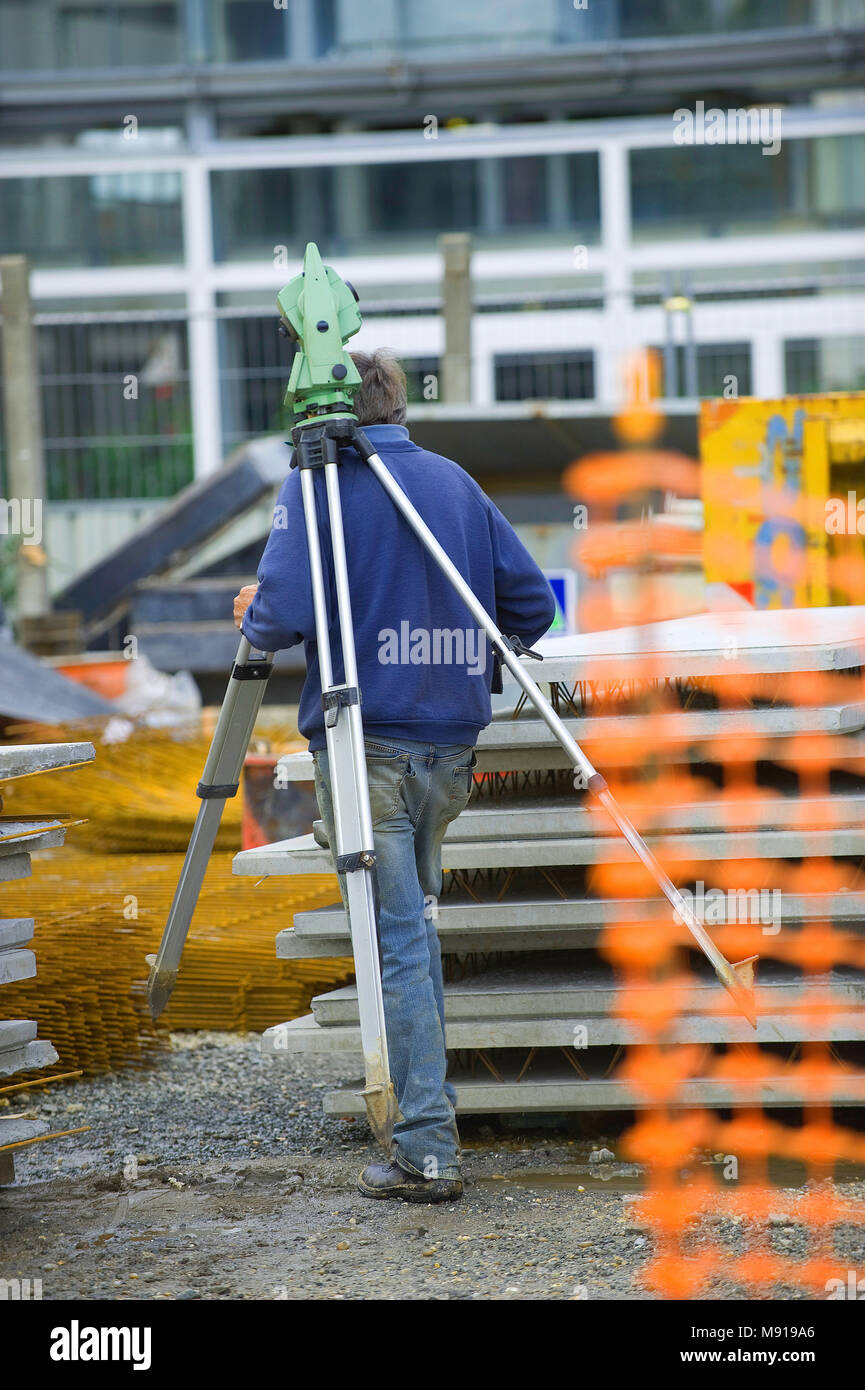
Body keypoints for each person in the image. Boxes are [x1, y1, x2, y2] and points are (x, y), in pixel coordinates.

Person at [234, 349, 556, 1203]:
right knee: (412, 927)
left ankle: (426, 1147)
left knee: (400, 942)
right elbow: (531, 609)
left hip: (365, 741)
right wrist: (456, 658)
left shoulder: (318, 489)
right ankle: (427, 1125)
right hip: (449, 748)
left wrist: (254, 610)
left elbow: (277, 619)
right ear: (397, 404)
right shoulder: (455, 483)